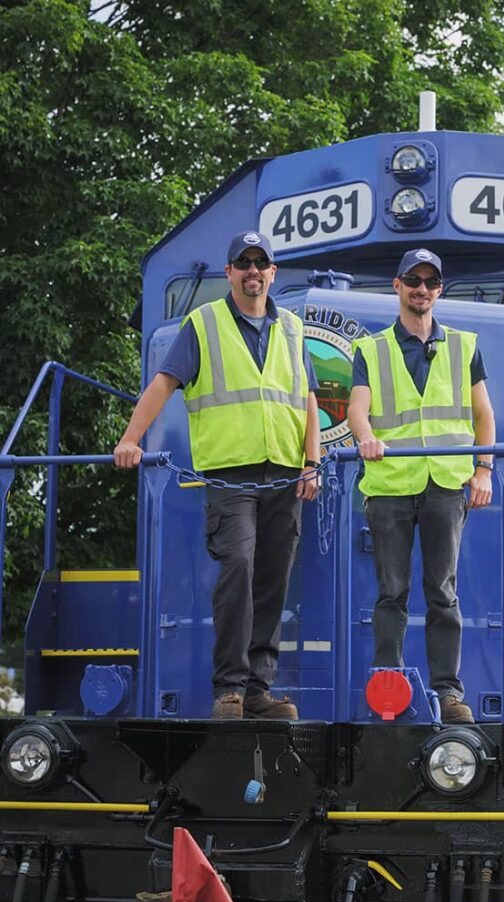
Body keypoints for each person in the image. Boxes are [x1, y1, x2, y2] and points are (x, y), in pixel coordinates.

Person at [114, 230, 320, 720]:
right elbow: (164, 383)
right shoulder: (202, 324)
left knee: (273, 579)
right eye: (242, 263)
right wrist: (130, 439)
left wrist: (311, 463)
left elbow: (308, 400)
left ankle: (257, 690)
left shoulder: (292, 328)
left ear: (273, 273)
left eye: (260, 263)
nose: (253, 271)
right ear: (229, 273)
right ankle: (228, 688)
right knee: (240, 569)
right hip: (231, 477)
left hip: (285, 474)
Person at [347, 248, 496, 724]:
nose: (422, 288)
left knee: (443, 592)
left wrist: (484, 470)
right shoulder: (371, 349)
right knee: (392, 590)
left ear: (439, 291)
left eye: (431, 282)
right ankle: (387, 679)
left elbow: (483, 414)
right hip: (390, 485)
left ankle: (448, 694)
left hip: (447, 484)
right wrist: (366, 438)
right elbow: (357, 408)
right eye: (413, 279)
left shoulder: (464, 346)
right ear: (397, 285)